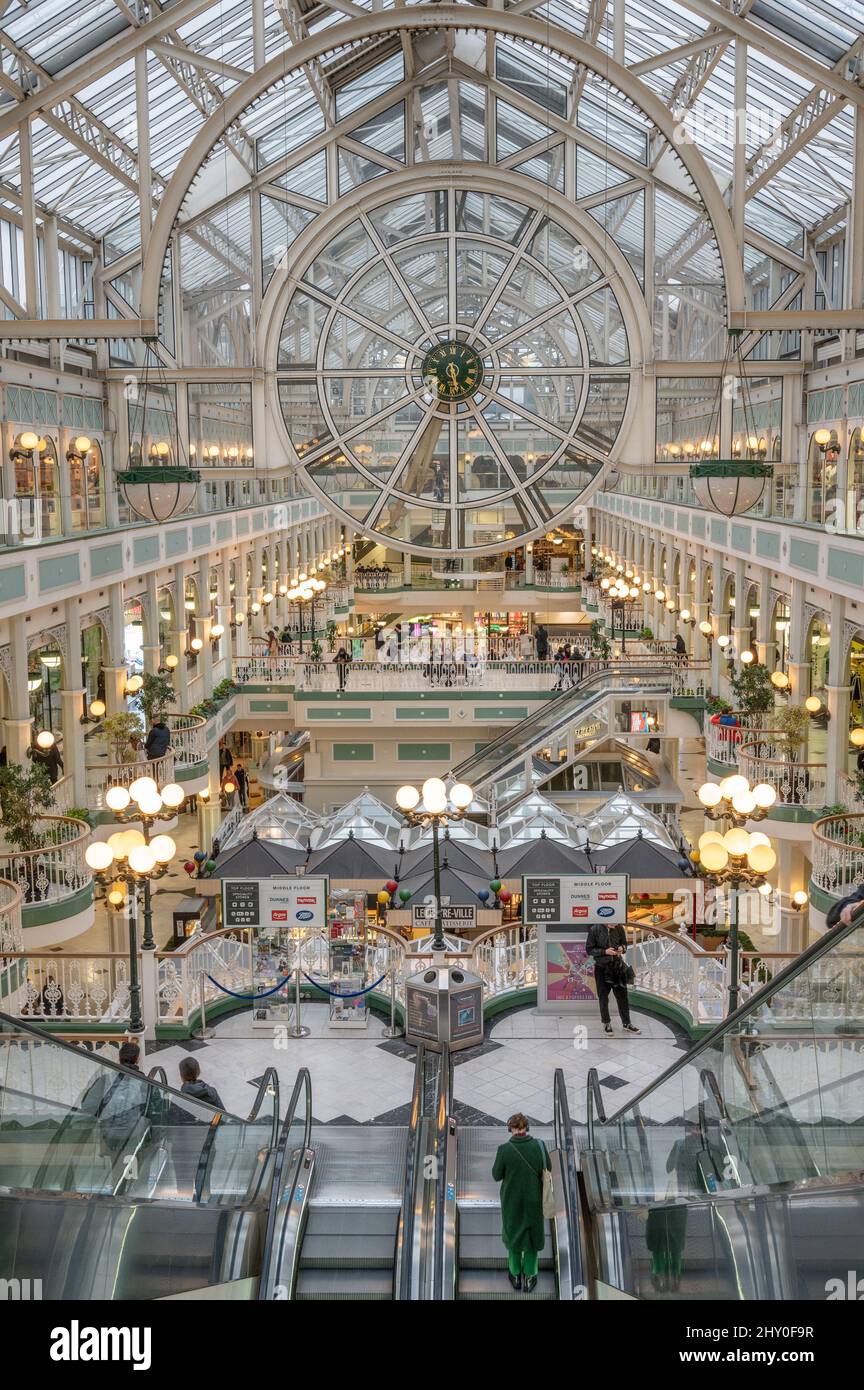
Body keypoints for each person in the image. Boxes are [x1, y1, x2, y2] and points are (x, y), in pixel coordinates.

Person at [491, 1112, 551, 1293]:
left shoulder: (504, 1149)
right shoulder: (539, 1146)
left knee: (513, 1237)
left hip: (512, 1202)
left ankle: (515, 1275)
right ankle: (531, 1276)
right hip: (534, 1201)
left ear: (511, 1129)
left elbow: (496, 1175)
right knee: (532, 1239)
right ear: (527, 1127)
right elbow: (548, 1168)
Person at [586, 920, 641, 1035]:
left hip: (617, 967)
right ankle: (606, 1023)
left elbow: (624, 944)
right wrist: (605, 951)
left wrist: (622, 948)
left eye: (616, 923)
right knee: (603, 997)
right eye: (613, 923)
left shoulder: (619, 928)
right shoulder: (594, 929)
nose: (615, 925)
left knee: (623, 997)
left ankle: (627, 1023)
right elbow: (589, 950)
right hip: (601, 968)